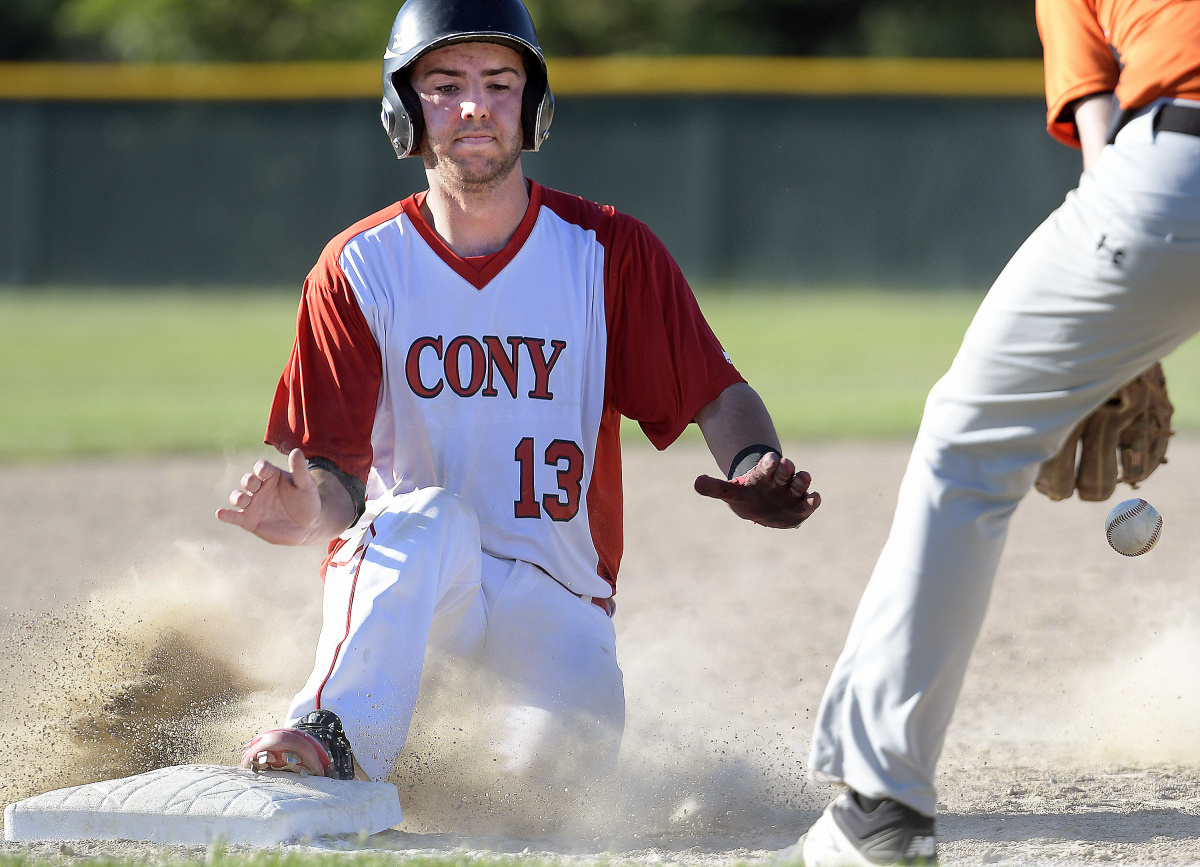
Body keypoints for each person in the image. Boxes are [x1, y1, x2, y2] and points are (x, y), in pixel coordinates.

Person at [217, 0, 820, 789]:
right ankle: (330, 730)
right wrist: (309, 512)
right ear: (404, 109)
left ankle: (425, 751)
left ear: (531, 106)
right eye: (443, 84)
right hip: (422, 595)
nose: (473, 104)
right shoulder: (360, 267)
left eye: (500, 82)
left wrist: (754, 459)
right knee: (425, 517)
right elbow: (335, 479)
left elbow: (715, 390)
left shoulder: (606, 251)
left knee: (546, 795)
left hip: (561, 607)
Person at [778, 1, 1200, 864]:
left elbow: (1102, 130)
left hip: (1177, 163)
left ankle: (880, 807)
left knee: (967, 450)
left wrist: (1115, 338)